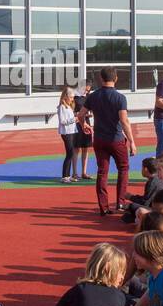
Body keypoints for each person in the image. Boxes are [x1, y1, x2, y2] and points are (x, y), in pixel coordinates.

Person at [84, 66, 137, 216]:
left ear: (101, 78)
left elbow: (81, 114)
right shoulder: (120, 98)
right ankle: (120, 202)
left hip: (100, 139)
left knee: (102, 172)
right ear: (116, 78)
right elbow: (124, 120)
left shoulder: (93, 96)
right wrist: (132, 141)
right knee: (123, 169)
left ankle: (104, 207)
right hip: (116, 139)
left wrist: (84, 125)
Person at [56, 85, 79, 183]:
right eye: (71, 97)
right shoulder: (62, 106)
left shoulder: (69, 106)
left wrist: (75, 118)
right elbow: (63, 121)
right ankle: (64, 176)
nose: (72, 99)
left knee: (71, 153)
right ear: (65, 96)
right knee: (69, 153)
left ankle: (68, 176)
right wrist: (73, 119)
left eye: (73, 97)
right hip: (66, 133)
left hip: (71, 131)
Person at [72, 79, 94, 181]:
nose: (87, 92)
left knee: (86, 148)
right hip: (77, 124)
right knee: (76, 148)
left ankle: (84, 172)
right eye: (85, 89)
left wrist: (90, 114)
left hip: (87, 123)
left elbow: (91, 109)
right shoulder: (74, 97)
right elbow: (71, 112)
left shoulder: (89, 97)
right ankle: (75, 173)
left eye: (88, 90)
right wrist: (79, 115)